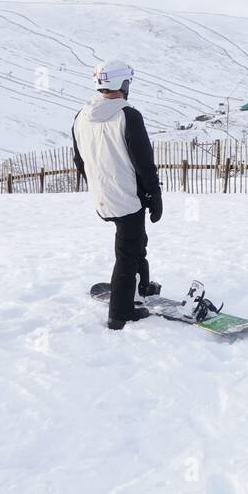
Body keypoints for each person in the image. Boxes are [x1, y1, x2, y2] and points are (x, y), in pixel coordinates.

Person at [72, 60, 163, 329]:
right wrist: (154, 195)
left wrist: (100, 186)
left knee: (135, 239)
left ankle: (142, 286)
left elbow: (79, 160)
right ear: (123, 84)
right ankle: (120, 313)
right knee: (127, 252)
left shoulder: (80, 116)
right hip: (127, 196)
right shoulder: (128, 116)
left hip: (103, 195)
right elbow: (143, 162)